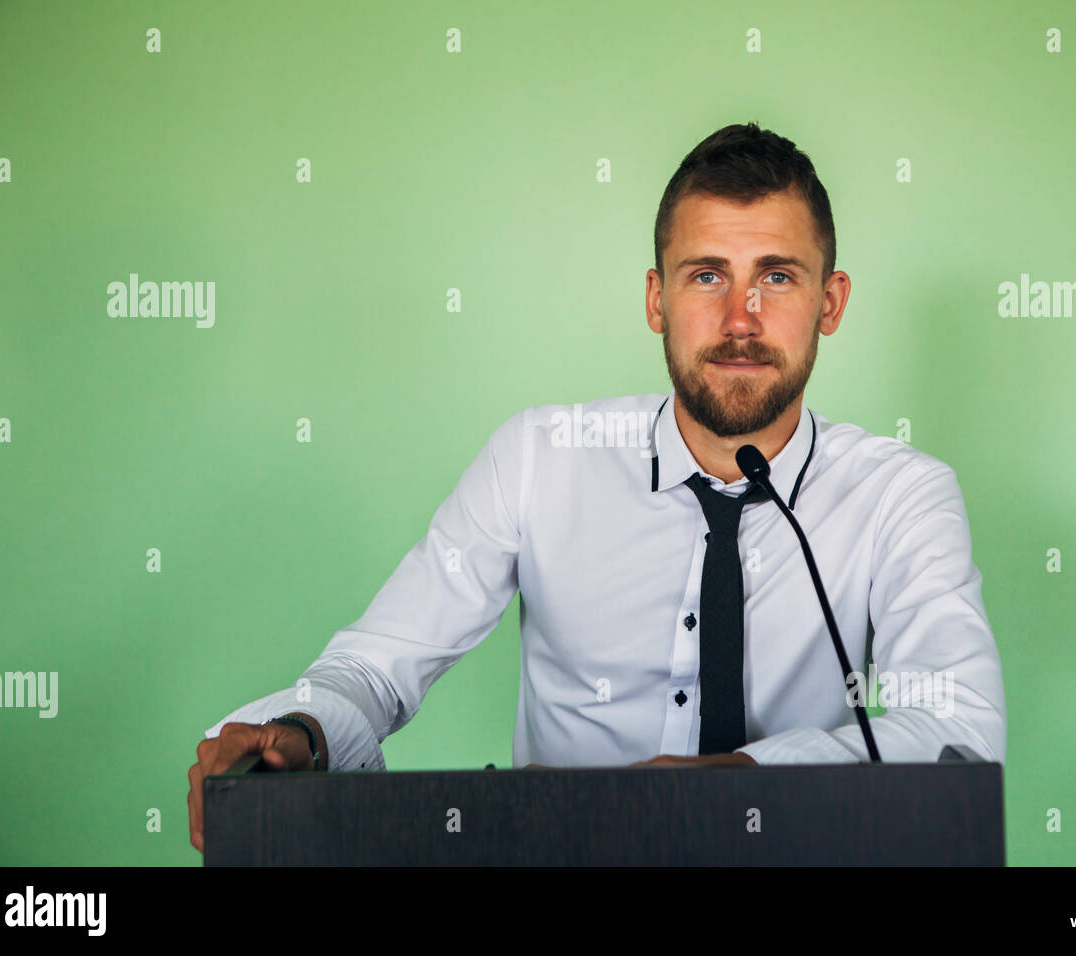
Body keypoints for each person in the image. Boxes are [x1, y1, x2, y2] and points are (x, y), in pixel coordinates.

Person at [187, 122, 1006, 853]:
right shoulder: (539, 459)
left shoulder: (903, 496)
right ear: (657, 300)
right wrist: (301, 728)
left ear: (831, 303)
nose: (742, 318)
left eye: (779, 277)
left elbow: (960, 732)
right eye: (707, 276)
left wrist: (737, 777)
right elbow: (377, 669)